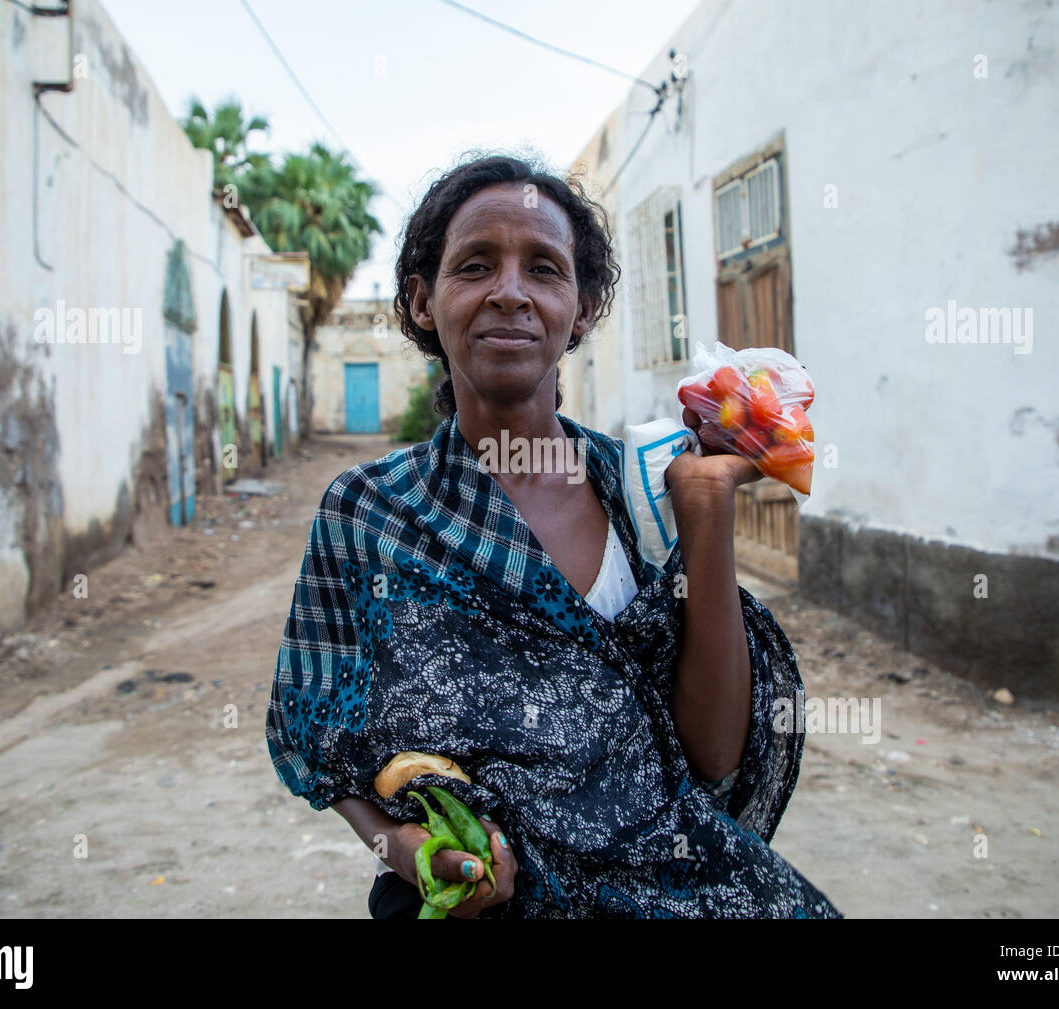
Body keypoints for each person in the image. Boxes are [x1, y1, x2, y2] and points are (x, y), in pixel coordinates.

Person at [265, 150, 842, 919]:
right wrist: (402, 849)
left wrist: (707, 514)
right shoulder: (368, 512)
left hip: (662, 886)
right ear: (423, 301)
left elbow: (712, 754)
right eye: (475, 266)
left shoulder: (644, 490)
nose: (510, 292)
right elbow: (318, 739)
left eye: (543, 268)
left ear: (585, 306)